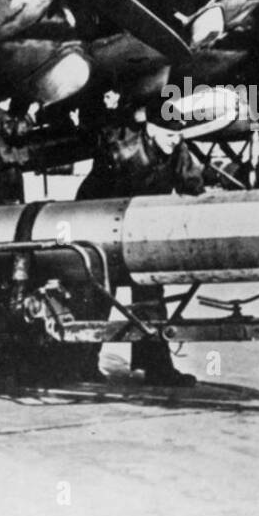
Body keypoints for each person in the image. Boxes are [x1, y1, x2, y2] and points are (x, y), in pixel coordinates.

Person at [75, 96, 204, 387]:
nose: (175, 141)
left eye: (179, 135)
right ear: (150, 129)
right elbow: (99, 193)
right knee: (97, 298)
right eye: (170, 135)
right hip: (100, 224)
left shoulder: (176, 148)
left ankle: (157, 368)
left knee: (151, 300)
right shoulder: (119, 150)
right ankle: (81, 364)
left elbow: (192, 184)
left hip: (138, 230)